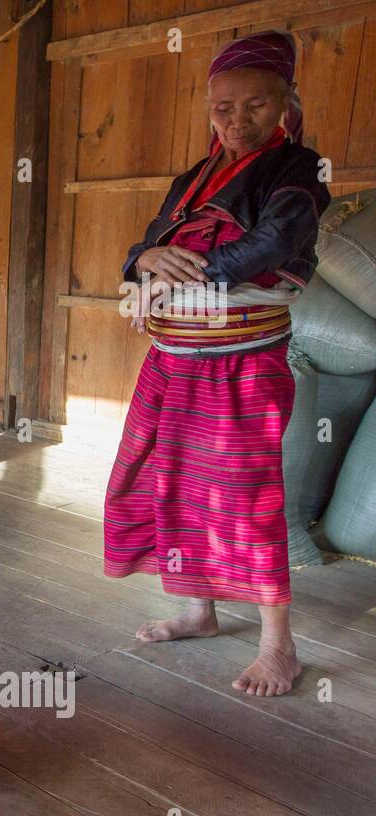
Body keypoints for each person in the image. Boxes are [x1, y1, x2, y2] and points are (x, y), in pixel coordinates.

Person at [104, 31, 330, 697]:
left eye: (255, 105)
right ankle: (200, 611)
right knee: (172, 483)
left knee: (244, 497)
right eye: (223, 109)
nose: (237, 121)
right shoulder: (191, 181)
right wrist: (143, 266)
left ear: (286, 102)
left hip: (243, 369)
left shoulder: (299, 169)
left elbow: (276, 242)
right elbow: (145, 248)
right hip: (172, 364)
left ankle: (278, 648)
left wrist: (173, 284)